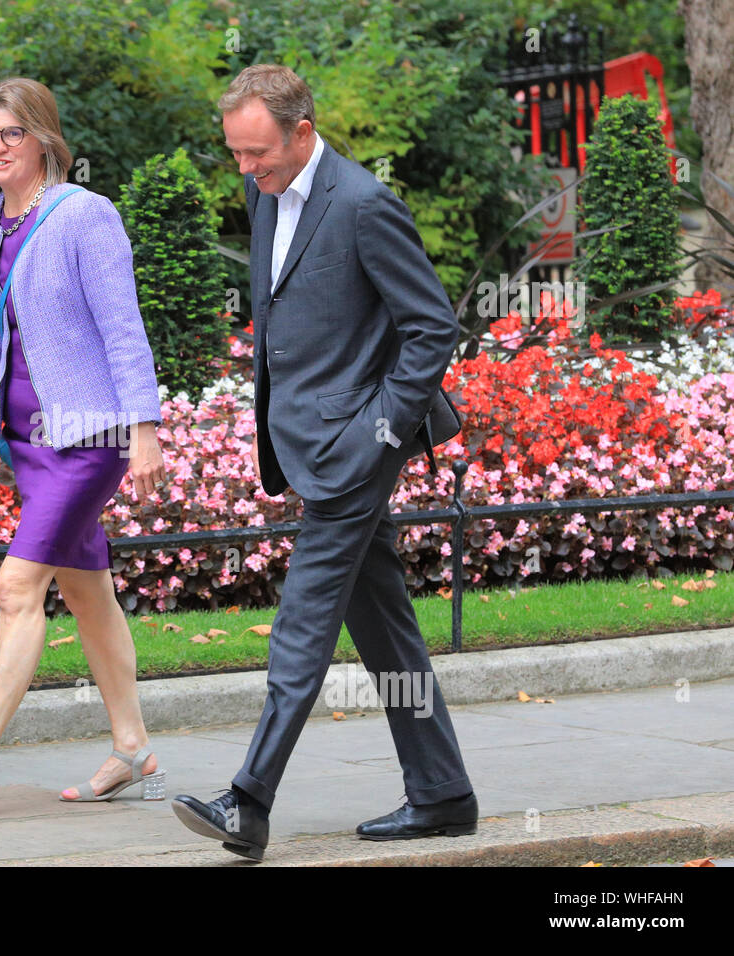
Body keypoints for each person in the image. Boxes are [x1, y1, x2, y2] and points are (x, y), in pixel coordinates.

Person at [171, 65, 476, 860]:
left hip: (354, 451)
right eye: (236, 154)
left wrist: (380, 431)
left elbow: (432, 327)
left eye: (258, 153)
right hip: (312, 441)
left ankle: (249, 799)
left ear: (302, 132)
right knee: (384, 628)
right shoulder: (264, 190)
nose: (246, 169)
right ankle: (443, 792)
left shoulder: (366, 203)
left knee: (301, 628)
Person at [0, 77, 167, 813]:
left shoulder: (87, 216)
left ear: (44, 139)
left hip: (88, 439)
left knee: (18, 586)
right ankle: (132, 746)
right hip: (27, 441)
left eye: (10, 134)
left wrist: (144, 429)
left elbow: (123, 328)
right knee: (88, 592)